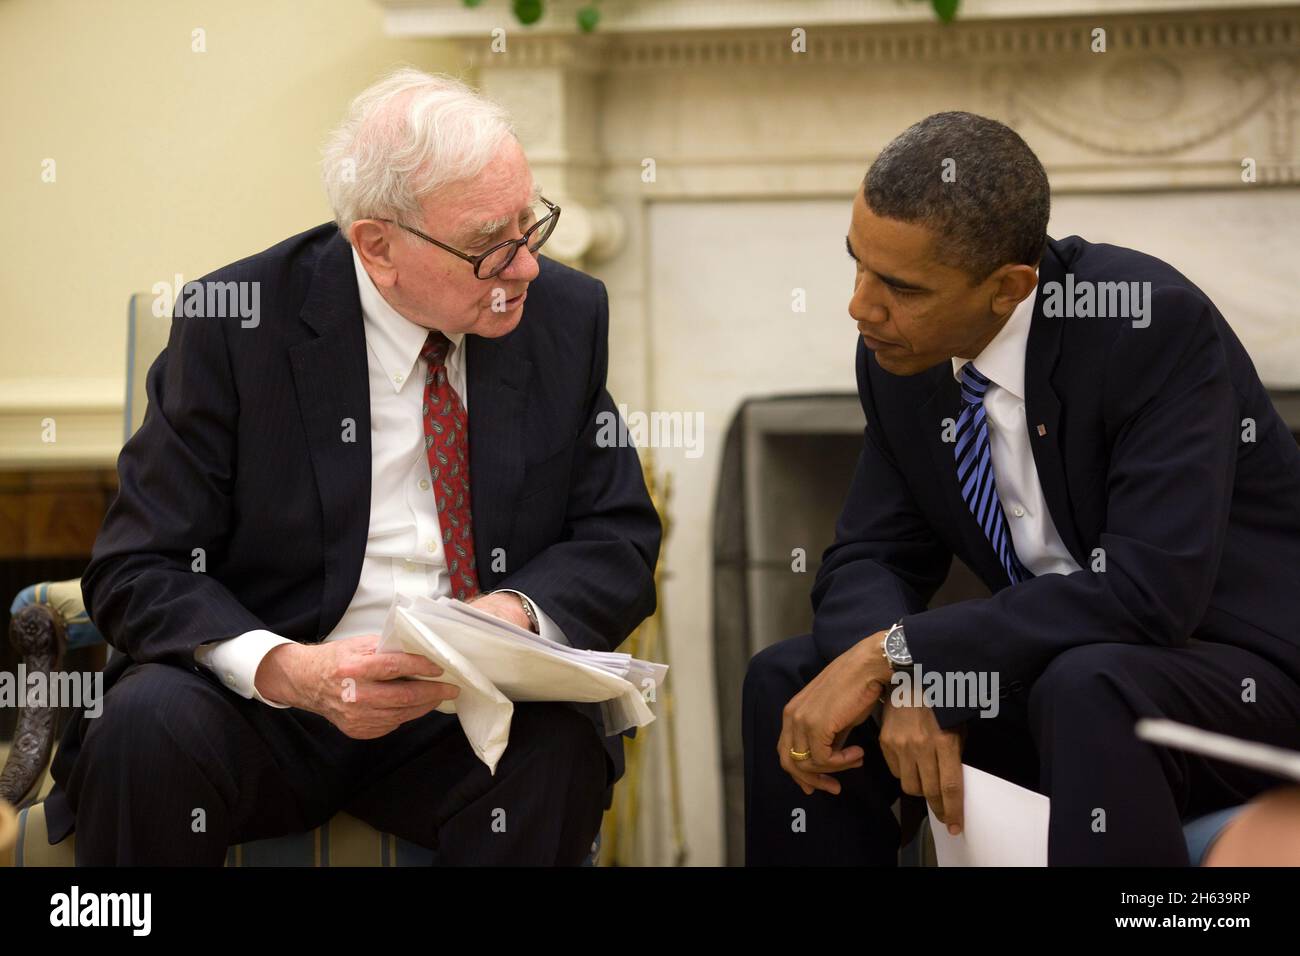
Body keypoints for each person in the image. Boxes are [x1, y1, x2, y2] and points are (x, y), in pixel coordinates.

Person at [43, 68, 661, 865]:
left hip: (460, 718)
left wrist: (511, 616)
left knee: (561, 751)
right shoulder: (237, 325)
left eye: (529, 223)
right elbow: (138, 568)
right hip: (266, 712)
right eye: (487, 245)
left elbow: (617, 538)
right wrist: (291, 671)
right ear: (378, 245)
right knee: (142, 727)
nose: (525, 268)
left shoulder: (563, 317)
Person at [743, 111, 1300, 866]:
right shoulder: (902, 354)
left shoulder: (1146, 324)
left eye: (900, 286)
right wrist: (904, 676)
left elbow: (1148, 594)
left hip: (1240, 676)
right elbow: (871, 556)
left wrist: (902, 652)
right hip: (1059, 668)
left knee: (1089, 683)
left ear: (1009, 287)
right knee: (791, 677)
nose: (861, 307)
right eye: (857, 264)